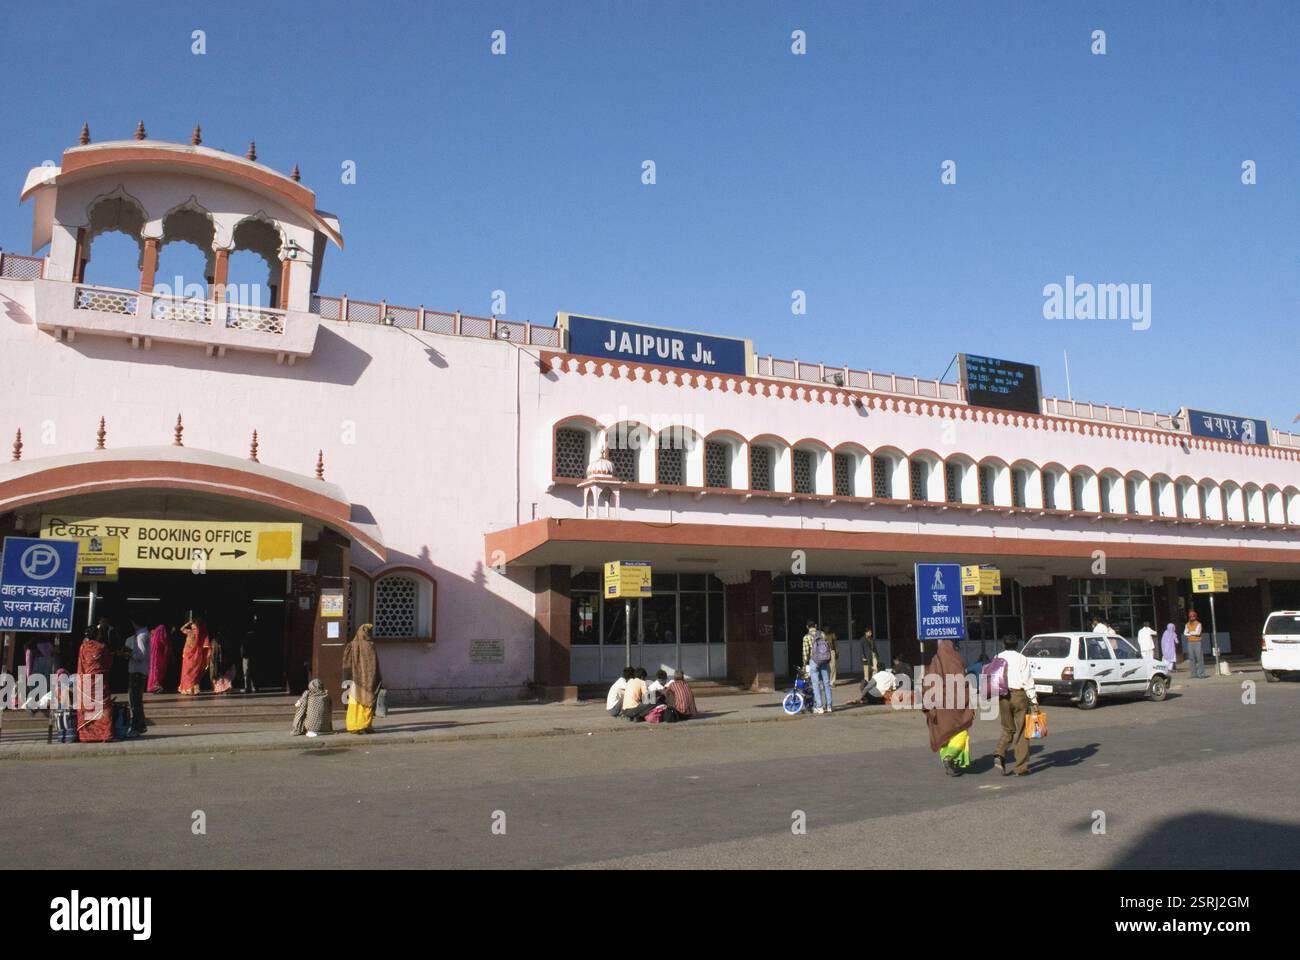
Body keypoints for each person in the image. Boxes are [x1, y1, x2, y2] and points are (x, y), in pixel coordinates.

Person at [921, 638, 975, 776]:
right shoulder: (955, 659)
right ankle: (950, 757)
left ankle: (950, 761)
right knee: (961, 731)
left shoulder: (934, 661)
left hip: (939, 706)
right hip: (955, 706)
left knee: (944, 734)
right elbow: (962, 681)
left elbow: (928, 684)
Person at [991, 635, 1039, 776]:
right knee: (1022, 730)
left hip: (1003, 696)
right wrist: (1034, 701)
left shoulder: (997, 657)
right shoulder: (1021, 658)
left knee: (1008, 728)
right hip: (1019, 695)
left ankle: (999, 753)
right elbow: (1027, 680)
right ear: (1017, 645)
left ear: (1004, 644)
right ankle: (1021, 767)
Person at [342, 623, 383, 733]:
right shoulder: (370, 645)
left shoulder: (351, 645)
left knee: (355, 703)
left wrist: (347, 678)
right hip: (369, 681)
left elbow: (347, 664)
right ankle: (365, 725)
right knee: (367, 702)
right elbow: (374, 665)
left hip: (356, 680)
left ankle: (354, 726)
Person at [76, 627, 114, 742]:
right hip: (99, 680)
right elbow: (108, 663)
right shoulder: (102, 648)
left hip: (86, 681)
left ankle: (86, 736)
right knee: (104, 707)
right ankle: (105, 734)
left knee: (87, 708)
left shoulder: (83, 647)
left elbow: (81, 664)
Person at [119, 619, 150, 734]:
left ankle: (137, 726)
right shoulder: (143, 634)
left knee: (134, 700)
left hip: (137, 671)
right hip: (140, 671)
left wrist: (128, 654)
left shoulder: (141, 636)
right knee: (137, 700)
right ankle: (140, 725)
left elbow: (141, 655)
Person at [801, 620, 834, 714]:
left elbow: (805, 653)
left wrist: (805, 663)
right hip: (824, 660)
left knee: (816, 685)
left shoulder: (806, 637)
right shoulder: (822, 634)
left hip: (814, 661)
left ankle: (819, 707)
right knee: (826, 683)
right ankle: (829, 706)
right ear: (815, 625)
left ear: (807, 627)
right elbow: (828, 647)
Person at [178, 619, 210, 695]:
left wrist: (187, 624)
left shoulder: (190, 632)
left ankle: (188, 689)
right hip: (196, 655)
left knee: (187, 672)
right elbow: (206, 644)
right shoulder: (201, 634)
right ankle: (194, 689)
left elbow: (181, 629)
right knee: (194, 672)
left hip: (188, 655)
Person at [146, 623, 170, 693]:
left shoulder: (154, 636)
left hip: (153, 655)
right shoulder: (161, 632)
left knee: (153, 669)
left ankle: (152, 685)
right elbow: (164, 641)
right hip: (159, 655)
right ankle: (155, 685)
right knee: (158, 670)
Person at [1183, 609, 1207, 678]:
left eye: (1193, 616)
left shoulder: (1198, 624)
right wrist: (1192, 633)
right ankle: (1193, 674)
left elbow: (1198, 633)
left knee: (1199, 658)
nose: (1191, 618)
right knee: (1191, 658)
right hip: (1190, 642)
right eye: (1190, 616)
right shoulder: (1187, 624)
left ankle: (1201, 674)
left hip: (1197, 642)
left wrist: (1190, 633)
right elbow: (1185, 633)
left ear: (1195, 617)